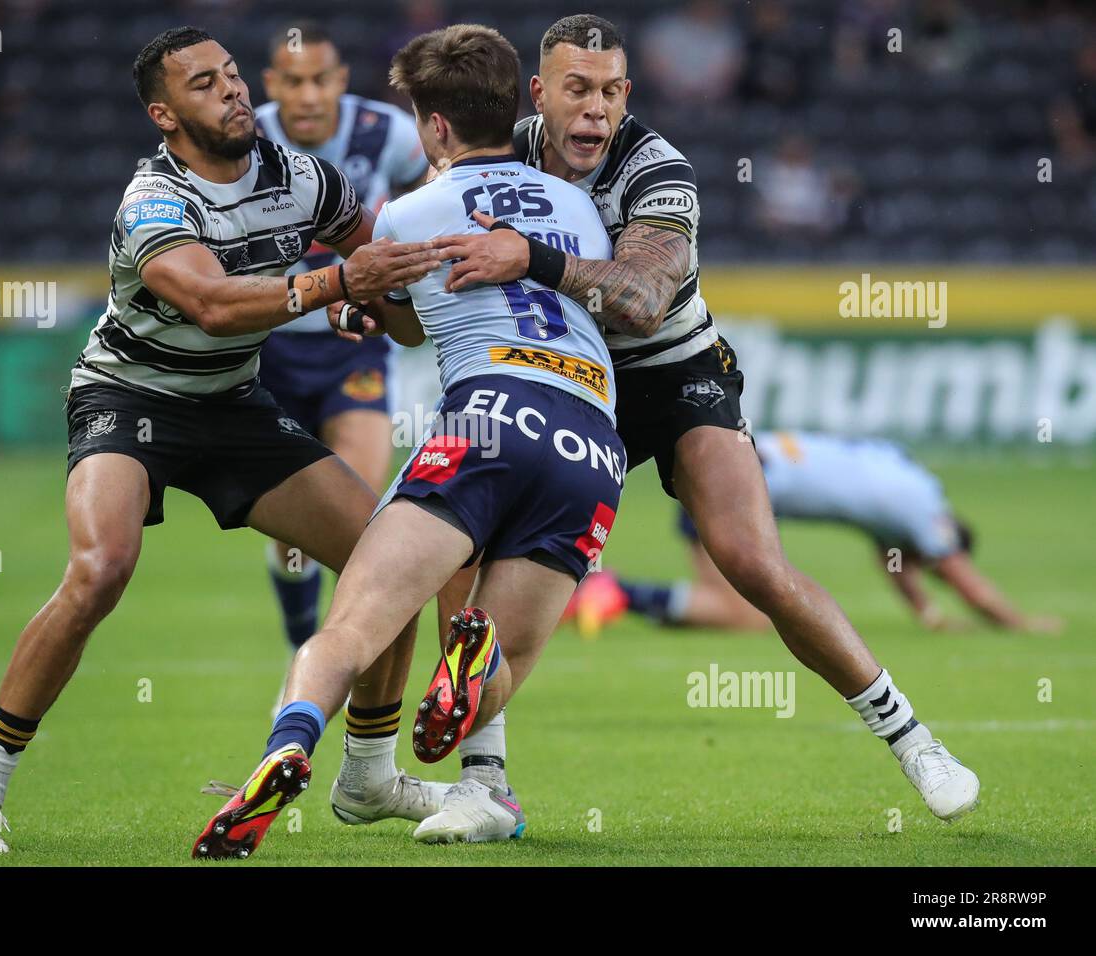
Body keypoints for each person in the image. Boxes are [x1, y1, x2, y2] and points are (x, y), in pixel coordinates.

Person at [344, 14, 979, 841]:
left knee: (750, 559)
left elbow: (642, 303)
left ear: (628, 96)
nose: (596, 111)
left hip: (674, 376)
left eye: (611, 92)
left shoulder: (660, 170)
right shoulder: (505, 146)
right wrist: (381, 300)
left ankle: (914, 741)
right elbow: (437, 259)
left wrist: (528, 258)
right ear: (540, 95)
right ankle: (484, 788)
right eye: (577, 90)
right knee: (467, 551)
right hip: (561, 382)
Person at [0, 26, 446, 854]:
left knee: (394, 560)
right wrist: (339, 283)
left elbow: (400, 313)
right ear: (165, 115)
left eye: (235, 75)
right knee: (102, 569)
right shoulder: (155, 202)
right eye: (206, 84)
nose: (234, 91)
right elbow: (212, 305)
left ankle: (369, 777)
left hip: (231, 403)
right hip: (128, 398)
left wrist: (386, 299)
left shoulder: (303, 177)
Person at [190, 23, 623, 859]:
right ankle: (471, 670)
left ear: (431, 127)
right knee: (500, 669)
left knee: (354, 620)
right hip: (591, 439)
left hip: (485, 415)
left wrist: (362, 305)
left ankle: (290, 743)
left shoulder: (411, 212)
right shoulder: (578, 207)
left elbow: (409, 329)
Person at [252, 21, 428, 703]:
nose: (306, 94)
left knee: (360, 520)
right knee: (295, 536)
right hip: (266, 350)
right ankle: (303, 648)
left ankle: (317, 671)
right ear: (271, 86)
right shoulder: (243, 139)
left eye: (319, 79)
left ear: (341, 80)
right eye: (292, 81)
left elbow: (429, 192)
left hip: (356, 345)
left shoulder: (388, 134)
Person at [571, 430, 1065, 636]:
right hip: (735, 479)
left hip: (728, 457)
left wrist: (928, 614)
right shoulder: (928, 518)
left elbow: (892, 561)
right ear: (947, 536)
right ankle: (611, 591)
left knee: (736, 606)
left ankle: (606, 591)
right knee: (741, 615)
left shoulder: (904, 480)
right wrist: (1022, 623)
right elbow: (969, 585)